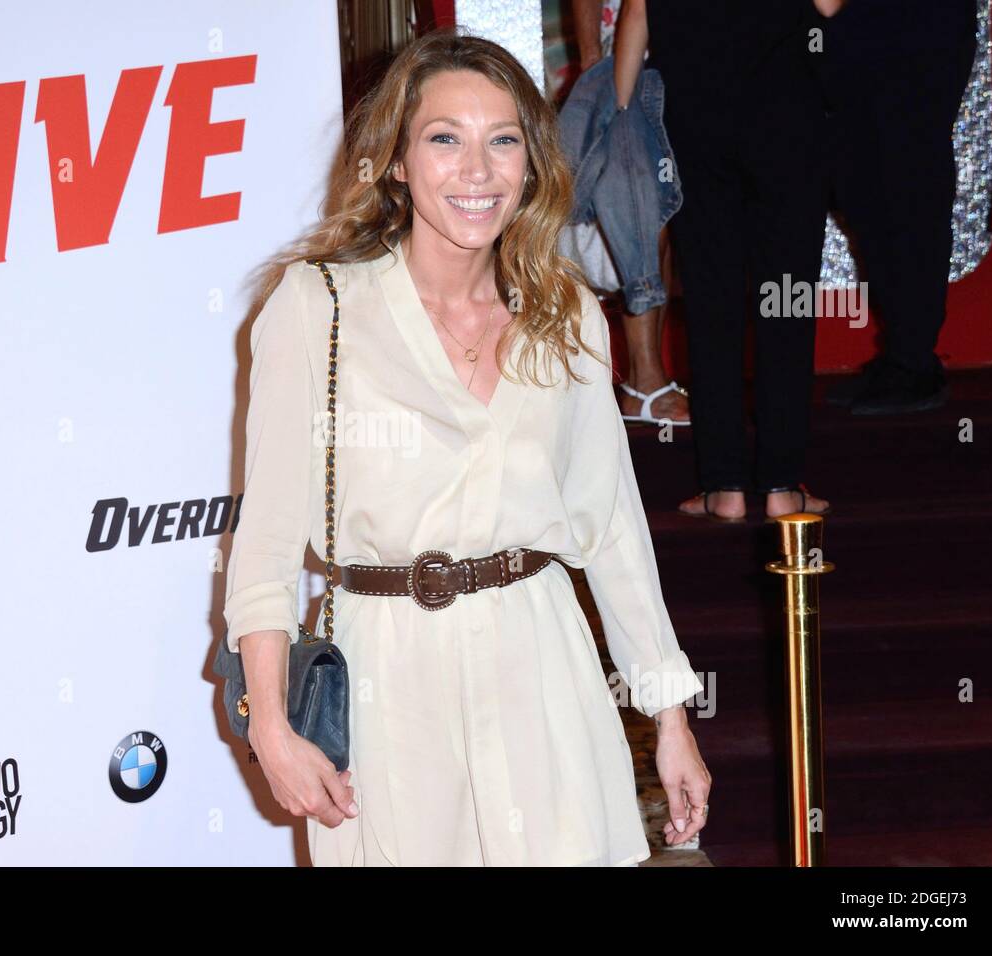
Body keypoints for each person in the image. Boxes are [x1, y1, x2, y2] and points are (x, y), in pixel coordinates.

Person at [222, 28, 710, 866]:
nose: (477, 172)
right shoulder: (320, 308)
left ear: (531, 163)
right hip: (390, 687)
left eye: (504, 141)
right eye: (444, 139)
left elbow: (611, 530)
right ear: (398, 161)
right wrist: (271, 726)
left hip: (542, 664)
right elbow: (264, 546)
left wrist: (669, 718)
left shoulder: (569, 318)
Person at [618, 0, 836, 520]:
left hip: (695, 120)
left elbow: (637, 12)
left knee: (712, 299)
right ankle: (782, 485)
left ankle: (725, 487)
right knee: (785, 301)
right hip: (787, 119)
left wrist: (623, 120)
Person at [821, 0, 978, 415]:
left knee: (910, 192)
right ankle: (902, 354)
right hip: (857, 33)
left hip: (918, 33)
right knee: (864, 193)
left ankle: (914, 361)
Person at [573, 0, 690, 426]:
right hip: (623, 65)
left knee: (667, 209)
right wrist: (590, 62)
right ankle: (645, 382)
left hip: (692, 60)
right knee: (642, 208)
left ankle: (649, 380)